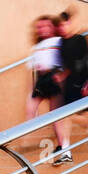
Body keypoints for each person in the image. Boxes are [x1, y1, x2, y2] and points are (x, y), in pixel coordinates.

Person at [56, 8, 88, 154]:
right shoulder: (61, 43)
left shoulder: (80, 40)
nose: (61, 29)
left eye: (63, 25)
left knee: (71, 116)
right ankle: (67, 150)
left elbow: (87, 62)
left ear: (69, 23)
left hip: (82, 85)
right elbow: (65, 66)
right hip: (69, 86)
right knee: (69, 116)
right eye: (59, 26)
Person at [27, 15, 67, 161]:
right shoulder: (36, 47)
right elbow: (33, 68)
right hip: (42, 79)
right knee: (30, 109)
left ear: (52, 28)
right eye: (39, 27)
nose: (42, 29)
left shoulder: (58, 41)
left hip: (55, 76)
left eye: (45, 26)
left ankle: (62, 146)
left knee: (55, 115)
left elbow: (66, 58)